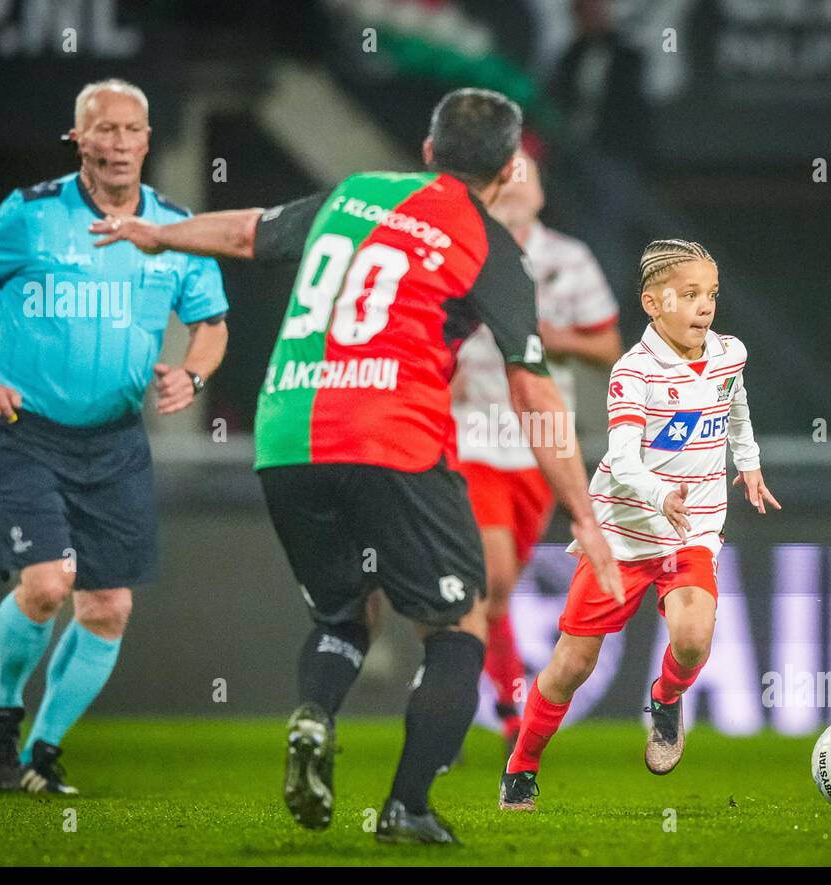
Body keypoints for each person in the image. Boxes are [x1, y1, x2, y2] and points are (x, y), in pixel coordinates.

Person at [93, 88, 624, 844]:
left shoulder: (357, 194)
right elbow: (532, 387)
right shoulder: (491, 245)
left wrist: (162, 234)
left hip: (285, 434)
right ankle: (406, 807)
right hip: (391, 438)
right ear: (509, 171)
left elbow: (250, 233)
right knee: (458, 624)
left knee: (346, 613)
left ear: (430, 151)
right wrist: (584, 512)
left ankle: (314, 716)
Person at [0, 78, 230, 795]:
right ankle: (4, 709)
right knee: (48, 585)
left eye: (132, 130)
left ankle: (42, 751)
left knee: (108, 606)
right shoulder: (30, 216)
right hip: (24, 428)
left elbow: (213, 323)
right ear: (79, 139)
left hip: (116, 440)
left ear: (149, 142)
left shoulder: (176, 230)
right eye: (105, 130)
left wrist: (192, 375)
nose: (120, 143)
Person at [498, 239, 780, 810]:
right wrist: (658, 493)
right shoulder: (633, 373)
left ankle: (666, 701)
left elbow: (737, 404)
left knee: (694, 637)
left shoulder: (730, 354)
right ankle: (522, 766)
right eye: (690, 294)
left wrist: (747, 463)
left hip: (691, 527)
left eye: (712, 294)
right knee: (570, 666)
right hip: (625, 531)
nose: (705, 306)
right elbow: (623, 458)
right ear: (653, 303)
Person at [452, 149, 622, 755]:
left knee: (500, 587)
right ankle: (506, 703)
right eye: (507, 174)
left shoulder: (568, 260)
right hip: (473, 434)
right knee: (493, 576)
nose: (518, 185)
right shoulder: (462, 252)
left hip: (542, 444)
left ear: (543, 193)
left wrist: (557, 339)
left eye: (528, 176)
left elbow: (608, 344)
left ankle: (498, 692)